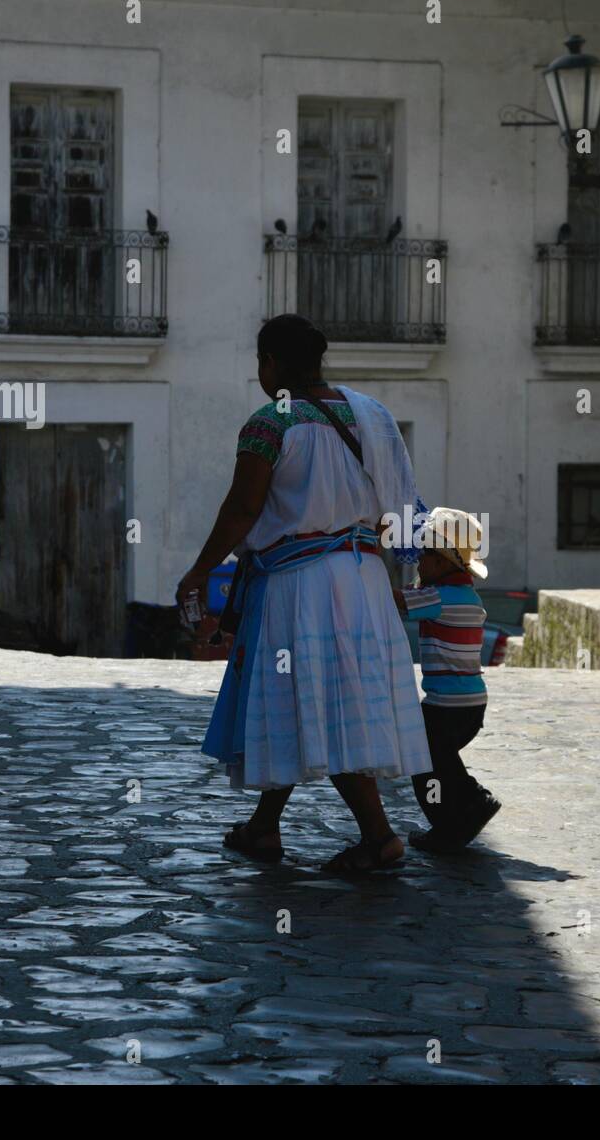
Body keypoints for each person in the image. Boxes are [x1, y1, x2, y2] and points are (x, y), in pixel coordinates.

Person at [176, 314, 431, 874]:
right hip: (364, 578)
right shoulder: (374, 417)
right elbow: (404, 506)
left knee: (320, 699)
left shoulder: (271, 423)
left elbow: (243, 509)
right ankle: (264, 827)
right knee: (317, 700)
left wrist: (200, 570)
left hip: (301, 585)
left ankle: (380, 837)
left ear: (270, 364)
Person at [393, 508, 501, 853]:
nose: (419, 562)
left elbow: (396, 601)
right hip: (471, 706)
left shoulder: (436, 598)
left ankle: (457, 815)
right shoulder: (466, 596)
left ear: (442, 563)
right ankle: (467, 805)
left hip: (446, 706)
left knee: (424, 765)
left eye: (425, 555)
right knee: (439, 759)